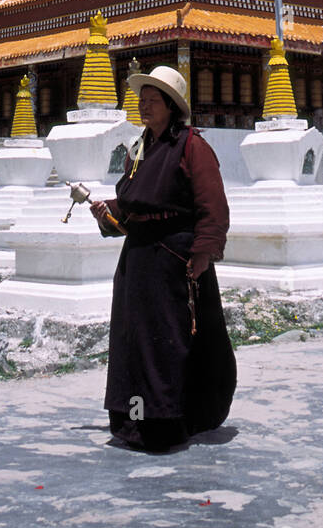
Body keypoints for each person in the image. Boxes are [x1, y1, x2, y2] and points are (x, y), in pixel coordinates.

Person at [90, 65, 237, 452]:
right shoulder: (140, 150)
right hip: (138, 259)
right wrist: (109, 213)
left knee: (166, 344)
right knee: (134, 341)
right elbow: (137, 204)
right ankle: (133, 422)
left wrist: (203, 253)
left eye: (153, 101)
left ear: (172, 106)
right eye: (142, 100)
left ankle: (164, 426)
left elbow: (213, 208)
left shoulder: (192, 147)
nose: (144, 107)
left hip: (174, 258)